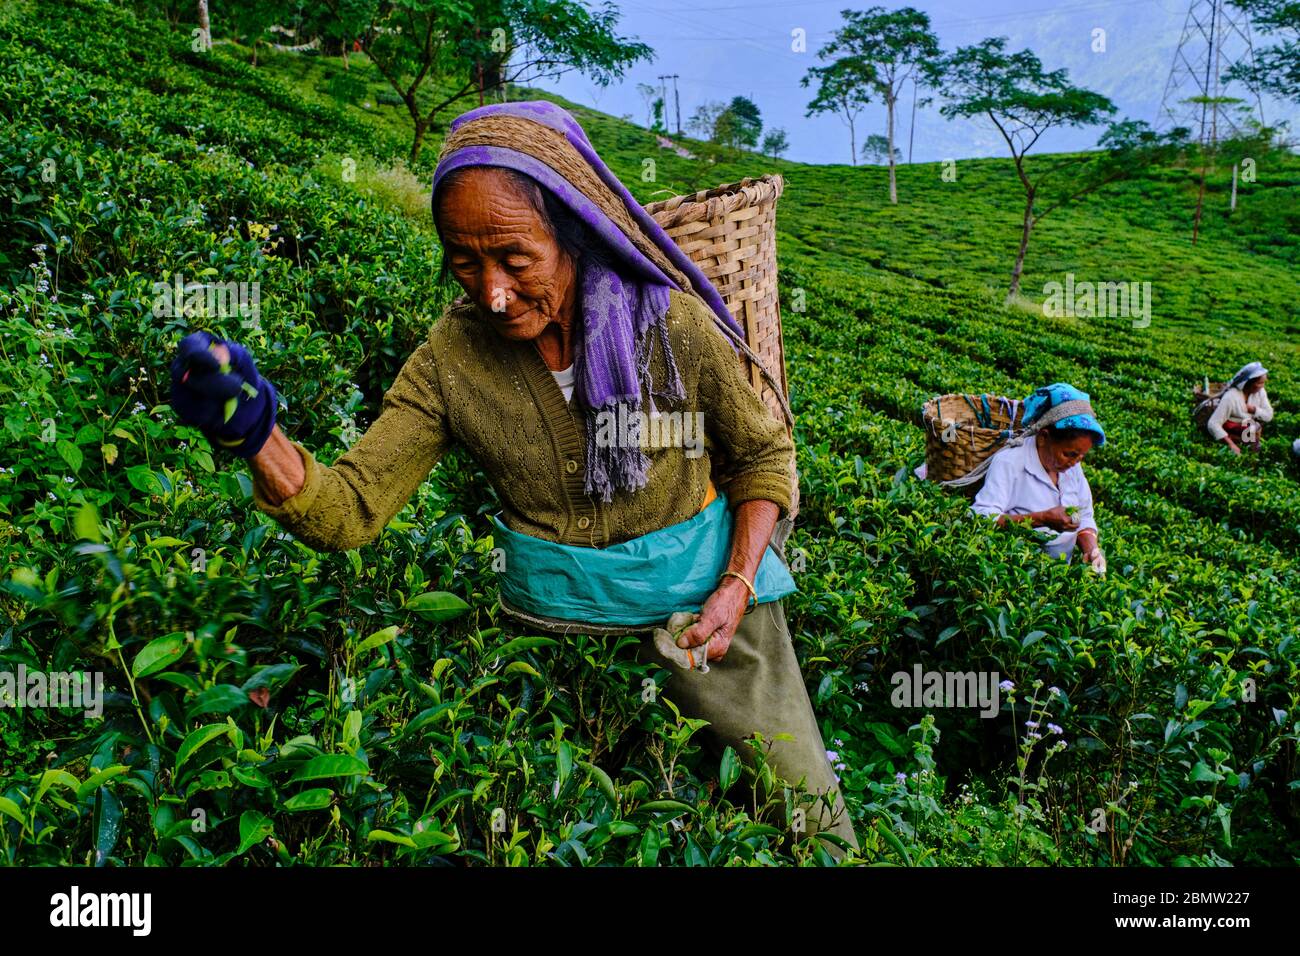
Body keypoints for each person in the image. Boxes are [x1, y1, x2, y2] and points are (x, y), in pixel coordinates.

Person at [168, 100, 857, 858]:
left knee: (807, 824)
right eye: (464, 261)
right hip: (553, 644)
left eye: (514, 258)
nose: (491, 291)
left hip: (710, 624)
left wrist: (734, 587)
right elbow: (352, 511)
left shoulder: (671, 323)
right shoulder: (451, 358)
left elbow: (763, 459)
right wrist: (256, 435)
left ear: (571, 232)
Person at [970, 383, 1107, 572]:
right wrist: (1041, 518)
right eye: (1069, 454)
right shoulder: (1010, 462)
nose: (1075, 462)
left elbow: (1084, 516)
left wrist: (1092, 550)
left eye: (1081, 457)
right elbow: (981, 517)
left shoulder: (1072, 467)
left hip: (1056, 576)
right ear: (1043, 437)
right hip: (1015, 573)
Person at [1207, 361, 1273, 454]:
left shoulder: (1260, 392)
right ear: (1249, 383)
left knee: (1255, 428)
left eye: (1263, 383)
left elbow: (1269, 415)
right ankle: (1233, 440)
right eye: (1260, 383)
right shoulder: (1231, 397)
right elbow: (1213, 423)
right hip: (1231, 426)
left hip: (1247, 427)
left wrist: (1254, 410)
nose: (1262, 386)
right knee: (1253, 429)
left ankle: (1248, 446)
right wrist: (1231, 445)